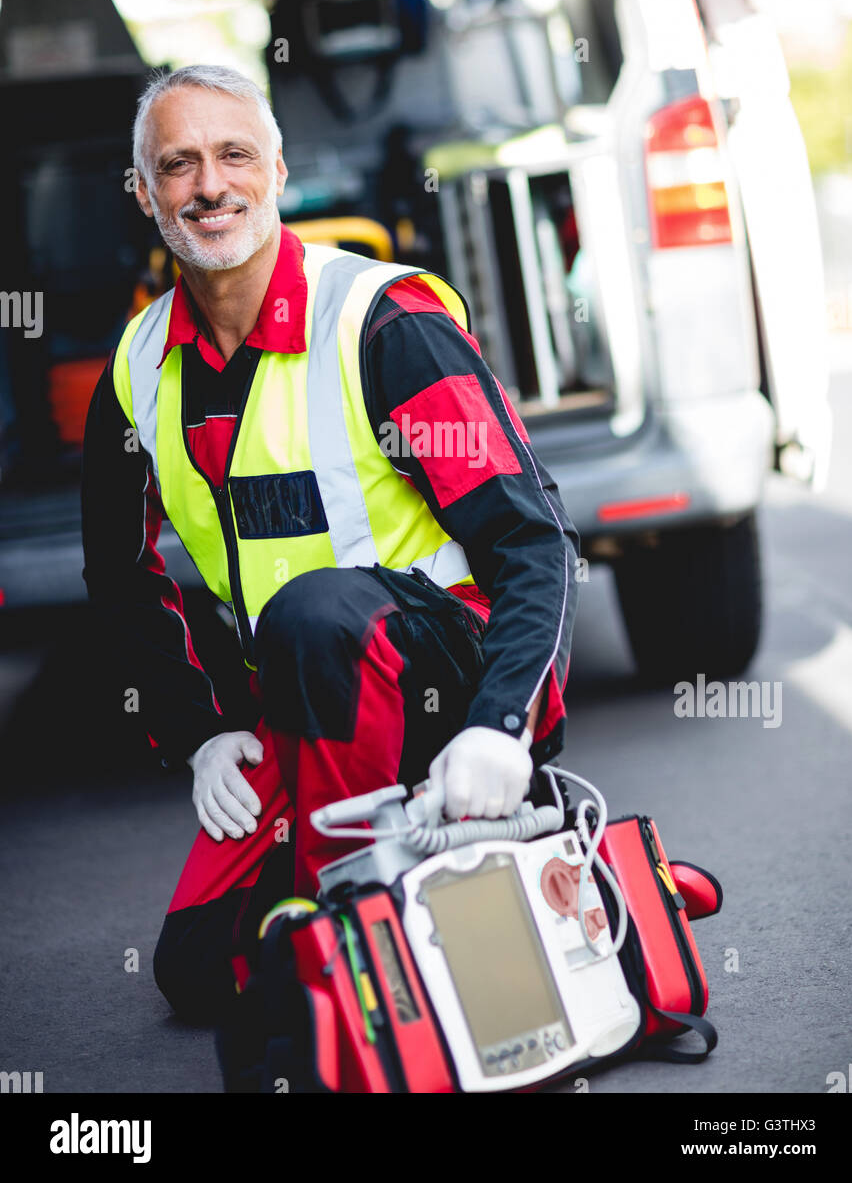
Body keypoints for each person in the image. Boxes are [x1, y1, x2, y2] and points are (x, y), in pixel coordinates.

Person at [81, 64, 580, 1026]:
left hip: (450, 684)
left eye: (233, 155)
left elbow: (536, 541)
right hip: (307, 697)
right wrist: (197, 732)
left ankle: (380, 923)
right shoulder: (138, 365)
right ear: (145, 195)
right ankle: (368, 923)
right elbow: (118, 572)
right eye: (176, 166)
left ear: (276, 168)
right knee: (195, 968)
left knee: (315, 613)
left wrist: (501, 725)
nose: (208, 186)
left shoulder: (385, 322)